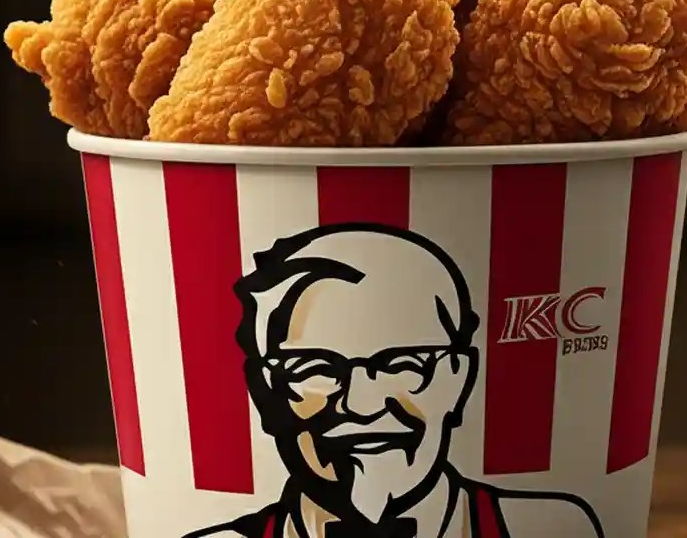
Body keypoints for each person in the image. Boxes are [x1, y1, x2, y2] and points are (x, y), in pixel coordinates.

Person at [188, 223, 603, 538]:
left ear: (459, 379)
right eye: (315, 368)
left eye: (405, 364)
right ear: (265, 393)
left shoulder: (549, 527)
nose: (363, 403)